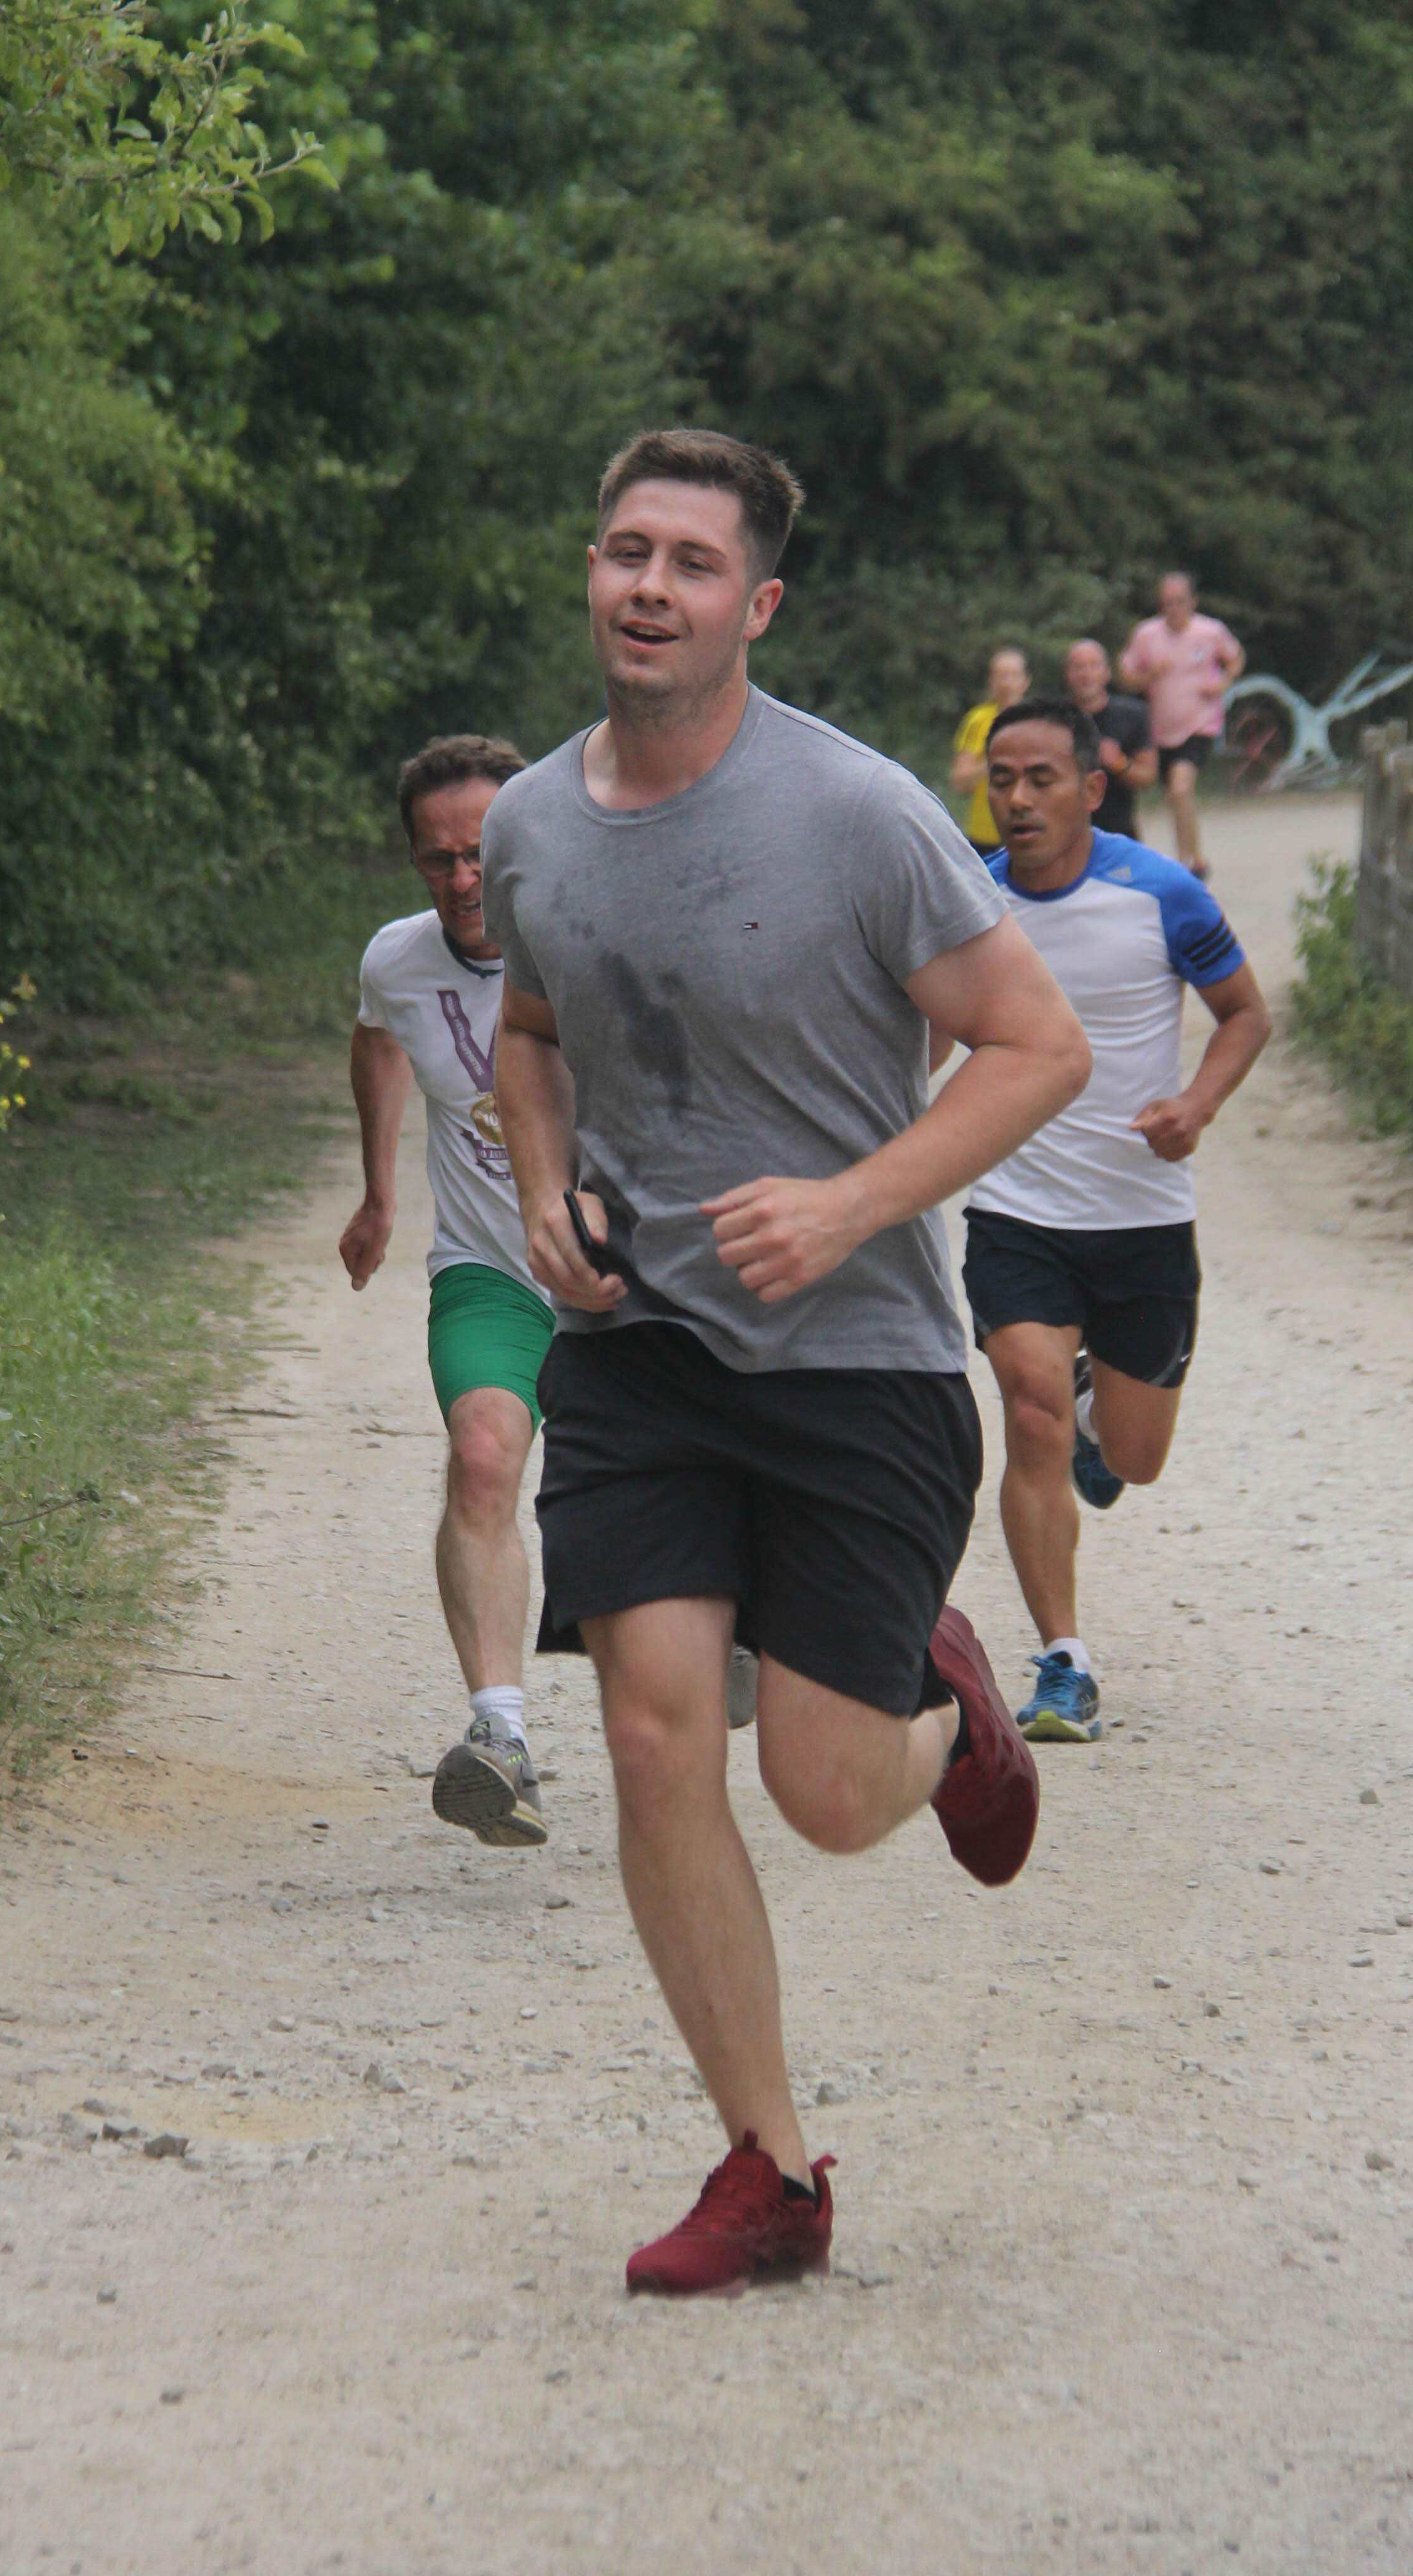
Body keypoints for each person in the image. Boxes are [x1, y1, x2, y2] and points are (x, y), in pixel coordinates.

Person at [480, 428, 1091, 2296]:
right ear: (589, 573)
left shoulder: (856, 812)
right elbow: (522, 1031)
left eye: (687, 561)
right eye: (621, 549)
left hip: (855, 1354)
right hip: (644, 1342)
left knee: (826, 1791)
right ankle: (769, 2165)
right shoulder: (526, 821)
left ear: (754, 605)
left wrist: (842, 1206)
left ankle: (947, 1713)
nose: (645, 584)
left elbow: (1035, 1040)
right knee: (657, 1730)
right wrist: (537, 1192)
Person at [961, 696, 1271, 1744]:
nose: (1015, 798)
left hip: (1139, 1217)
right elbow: (916, 1037)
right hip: (1015, 1205)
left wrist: (1195, 1104)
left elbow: (1244, 1013)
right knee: (1030, 1407)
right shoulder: (969, 901)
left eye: (1040, 777)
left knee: (1129, 1462)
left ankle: (1103, 1400)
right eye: (1000, 778)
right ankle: (1063, 1661)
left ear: (1092, 788)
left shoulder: (1162, 894)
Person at [340, 734, 556, 1848]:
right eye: (438, 860)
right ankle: (498, 1736)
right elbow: (377, 1039)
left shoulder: (595, 943)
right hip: (488, 1271)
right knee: (481, 1458)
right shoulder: (398, 959)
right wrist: (380, 1190)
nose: (463, 880)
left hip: (629, 1281)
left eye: (480, 852)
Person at [1118, 571, 1243, 878]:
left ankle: (1187, 863)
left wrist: (1223, 683)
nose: (1173, 609)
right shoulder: (1147, 635)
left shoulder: (1210, 631)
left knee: (1180, 787)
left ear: (1193, 602)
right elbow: (1126, 676)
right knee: (1176, 796)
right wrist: (1149, 677)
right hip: (1161, 730)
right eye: (1167, 603)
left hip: (1200, 724)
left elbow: (1236, 657)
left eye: (1179, 602)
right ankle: (1196, 858)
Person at [1064, 637, 1155, 841]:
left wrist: (1119, 763)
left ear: (1106, 673)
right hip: (1065, 838)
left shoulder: (1132, 714)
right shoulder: (1053, 719)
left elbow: (1148, 777)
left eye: (1093, 666)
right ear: (1068, 675)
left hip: (1118, 835)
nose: (1086, 674)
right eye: (1078, 667)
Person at [950, 645, 1029, 857]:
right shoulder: (977, 721)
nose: (1007, 683)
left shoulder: (1037, 722)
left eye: (1014, 676)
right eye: (1001, 676)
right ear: (991, 682)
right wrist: (993, 760)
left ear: (1025, 681)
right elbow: (960, 782)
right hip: (985, 837)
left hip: (1029, 832)